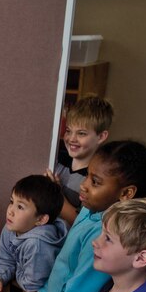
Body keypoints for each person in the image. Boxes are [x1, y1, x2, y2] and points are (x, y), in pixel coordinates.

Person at [5, 140, 146, 292]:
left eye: (95, 182)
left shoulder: (106, 237)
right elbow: (66, 263)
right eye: (87, 175)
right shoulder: (90, 208)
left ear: (126, 193)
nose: (83, 186)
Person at [0, 175, 68, 292]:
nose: (10, 211)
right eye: (11, 202)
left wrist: (13, 270)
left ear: (40, 219)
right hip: (19, 287)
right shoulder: (10, 228)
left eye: (20, 207)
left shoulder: (37, 245)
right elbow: (5, 259)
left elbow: (31, 286)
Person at [48, 95, 114, 225]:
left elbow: (82, 223)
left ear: (101, 136)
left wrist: (55, 195)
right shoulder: (56, 160)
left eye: (81, 133)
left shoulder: (96, 179)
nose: (71, 139)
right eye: (68, 131)